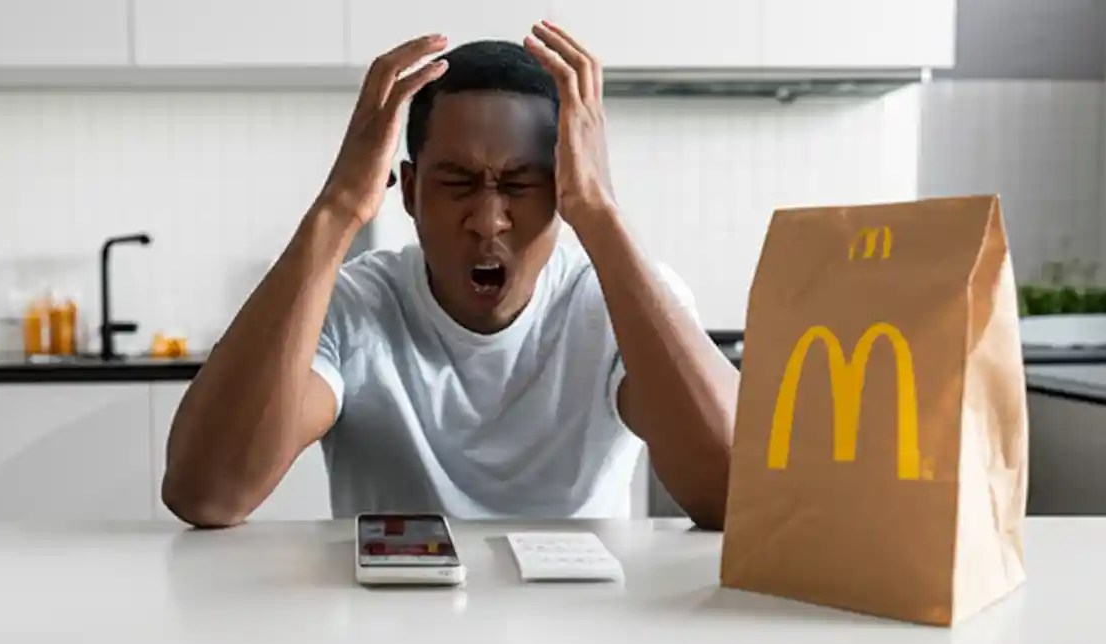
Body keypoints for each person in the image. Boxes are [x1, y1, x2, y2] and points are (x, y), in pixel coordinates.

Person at [161, 22, 740, 530]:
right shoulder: (354, 305)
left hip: (577, 634)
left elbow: (736, 493)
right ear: (409, 191)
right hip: (391, 631)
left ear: (564, 187)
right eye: (458, 184)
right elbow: (207, 495)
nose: (488, 222)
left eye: (521, 185)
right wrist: (338, 207)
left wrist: (600, 212)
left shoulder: (613, 302)